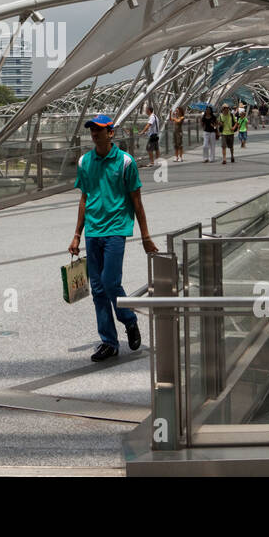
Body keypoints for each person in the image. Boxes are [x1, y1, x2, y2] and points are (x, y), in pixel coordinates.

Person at [69, 115, 158, 362]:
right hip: (93, 231)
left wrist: (145, 237)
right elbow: (84, 199)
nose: (94, 134)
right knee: (97, 289)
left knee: (110, 282)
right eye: (92, 130)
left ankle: (129, 320)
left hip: (117, 229)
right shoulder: (85, 161)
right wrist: (77, 235)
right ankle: (108, 342)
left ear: (111, 133)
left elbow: (137, 202)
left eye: (99, 130)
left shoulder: (125, 163)